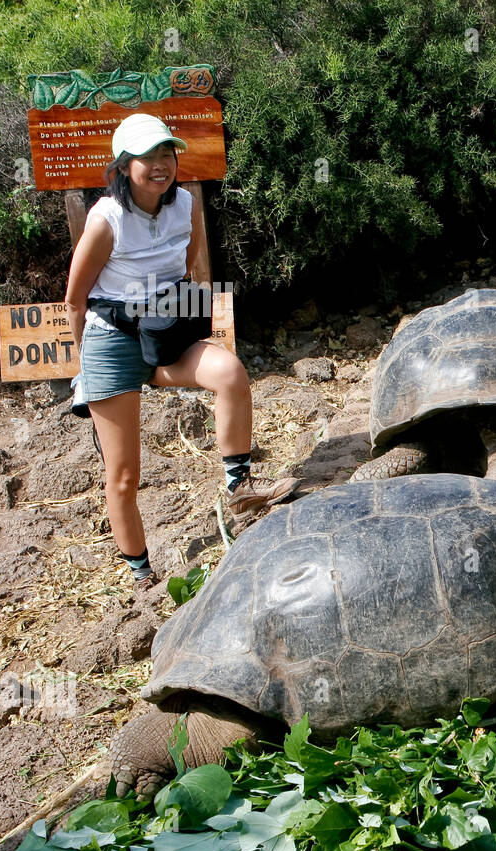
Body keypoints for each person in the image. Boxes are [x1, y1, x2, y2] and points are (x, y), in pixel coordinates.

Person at [65, 113, 298, 591]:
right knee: (126, 474)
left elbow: (188, 262)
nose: (160, 165)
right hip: (111, 341)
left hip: (165, 327)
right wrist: (82, 366)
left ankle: (240, 491)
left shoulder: (185, 203)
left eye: (167, 153)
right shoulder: (106, 218)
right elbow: (75, 297)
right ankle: (141, 576)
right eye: (148, 156)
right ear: (124, 164)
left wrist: (172, 308)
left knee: (230, 372)